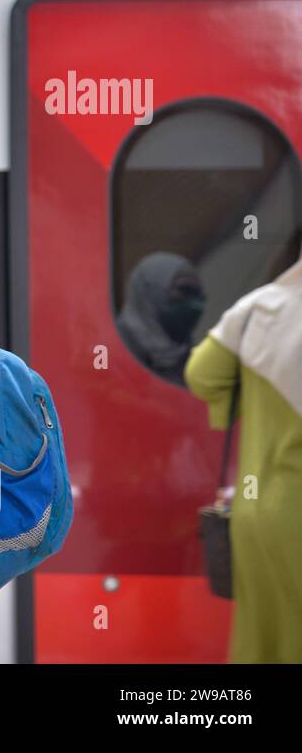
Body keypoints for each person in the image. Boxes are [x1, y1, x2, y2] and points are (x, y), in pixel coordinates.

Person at [185, 246, 302, 663]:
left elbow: (201, 374)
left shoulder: (258, 308)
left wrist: (251, 402)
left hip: (254, 515)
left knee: (260, 640)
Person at [117, 252, 206, 386]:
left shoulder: (195, 364)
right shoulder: (112, 348)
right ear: (149, 291)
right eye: (184, 290)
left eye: (198, 295)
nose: (194, 305)